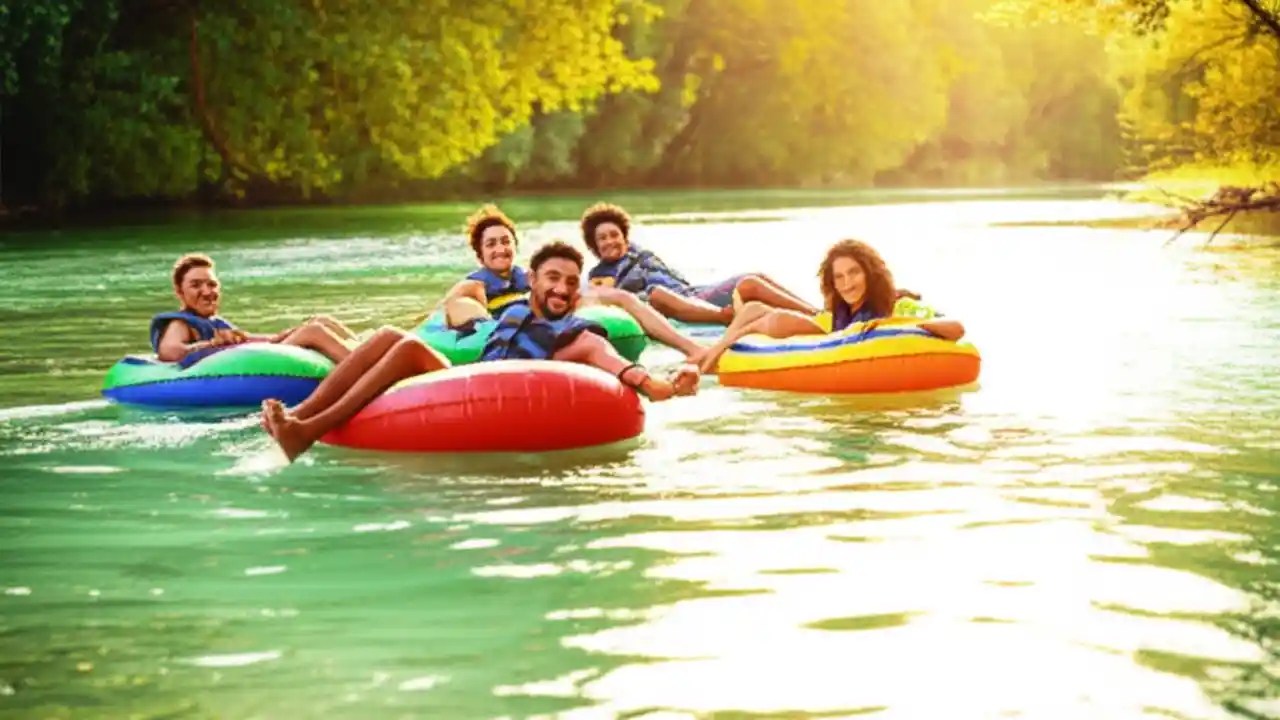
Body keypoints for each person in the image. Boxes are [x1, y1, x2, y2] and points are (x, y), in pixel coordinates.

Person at [262, 241, 700, 462]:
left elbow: (621, 368)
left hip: (510, 398)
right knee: (387, 336)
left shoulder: (580, 336)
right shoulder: (511, 313)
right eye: (552, 278)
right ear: (533, 280)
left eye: (570, 282)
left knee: (408, 347)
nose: (562, 289)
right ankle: (299, 415)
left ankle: (308, 431)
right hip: (466, 380)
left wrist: (665, 384)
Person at [437, 204, 710, 364]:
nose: (500, 249)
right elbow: (452, 309)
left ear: (515, 245)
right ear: (480, 254)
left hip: (545, 315)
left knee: (621, 297)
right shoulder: (474, 285)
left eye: (506, 241)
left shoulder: (529, 277)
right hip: (511, 330)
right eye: (491, 244)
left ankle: (693, 350)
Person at [696, 239, 965, 373]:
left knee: (770, 319)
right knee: (753, 309)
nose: (847, 284)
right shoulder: (841, 310)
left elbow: (956, 328)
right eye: (839, 277)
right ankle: (710, 358)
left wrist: (897, 326)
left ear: (870, 273)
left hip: (868, 352)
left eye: (854, 273)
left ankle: (707, 360)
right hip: (829, 345)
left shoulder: (896, 304)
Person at [580, 203, 821, 324]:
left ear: (624, 237)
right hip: (677, 304)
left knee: (754, 277)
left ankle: (817, 315)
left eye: (614, 235)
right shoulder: (602, 275)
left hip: (694, 293)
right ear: (594, 246)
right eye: (602, 238)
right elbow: (603, 299)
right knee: (748, 285)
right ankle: (724, 317)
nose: (610, 241)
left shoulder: (637, 253)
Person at [152, 253, 357, 367]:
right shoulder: (180, 323)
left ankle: (366, 358)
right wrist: (210, 344)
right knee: (314, 331)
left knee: (322, 321)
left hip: (251, 358)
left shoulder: (217, 323)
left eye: (212, 285)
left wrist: (287, 333)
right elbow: (169, 351)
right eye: (196, 285)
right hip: (240, 368)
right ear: (179, 292)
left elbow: (253, 339)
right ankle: (364, 371)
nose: (207, 292)